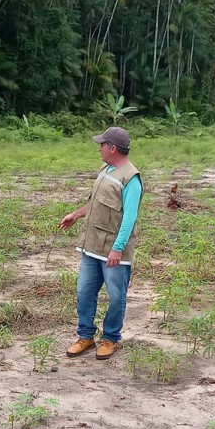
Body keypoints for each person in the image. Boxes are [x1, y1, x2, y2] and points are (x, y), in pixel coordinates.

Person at [59, 126, 143, 361]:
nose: (99, 148)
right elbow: (96, 203)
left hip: (114, 252)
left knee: (116, 296)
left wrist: (117, 248)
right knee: (84, 292)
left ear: (113, 148)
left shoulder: (131, 179)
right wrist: (76, 214)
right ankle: (85, 336)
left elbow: (129, 217)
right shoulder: (106, 169)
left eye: (102, 144)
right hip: (92, 246)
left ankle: (110, 338)